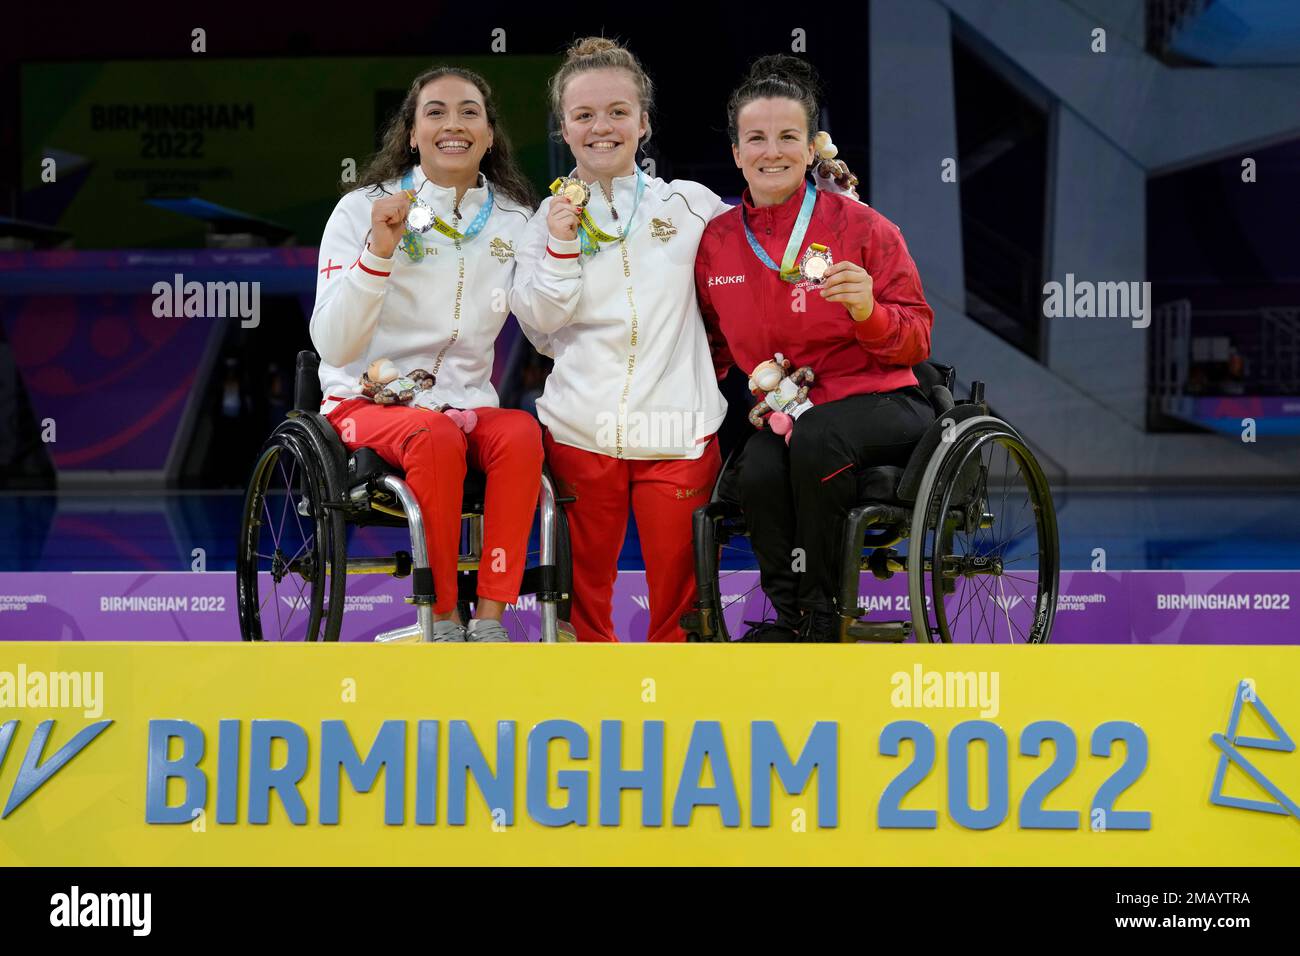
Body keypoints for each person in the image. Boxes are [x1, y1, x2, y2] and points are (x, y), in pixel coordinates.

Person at [694, 55, 936, 643]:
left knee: (818, 436)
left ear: (809, 150)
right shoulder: (718, 243)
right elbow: (713, 347)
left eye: (787, 137)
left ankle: (825, 613)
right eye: (756, 138)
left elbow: (917, 337)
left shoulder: (863, 228)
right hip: (788, 416)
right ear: (736, 153)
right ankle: (792, 616)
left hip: (881, 401)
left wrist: (868, 312)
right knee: (757, 466)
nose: (770, 151)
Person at [310, 65, 542, 643]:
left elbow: (546, 315)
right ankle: (440, 616)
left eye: (469, 112)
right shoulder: (361, 209)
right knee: (432, 437)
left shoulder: (517, 219)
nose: (453, 124)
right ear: (411, 134)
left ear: (490, 135)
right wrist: (379, 253)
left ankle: (489, 620)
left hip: (467, 403)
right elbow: (334, 343)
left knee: (520, 433)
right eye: (434, 112)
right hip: (366, 402)